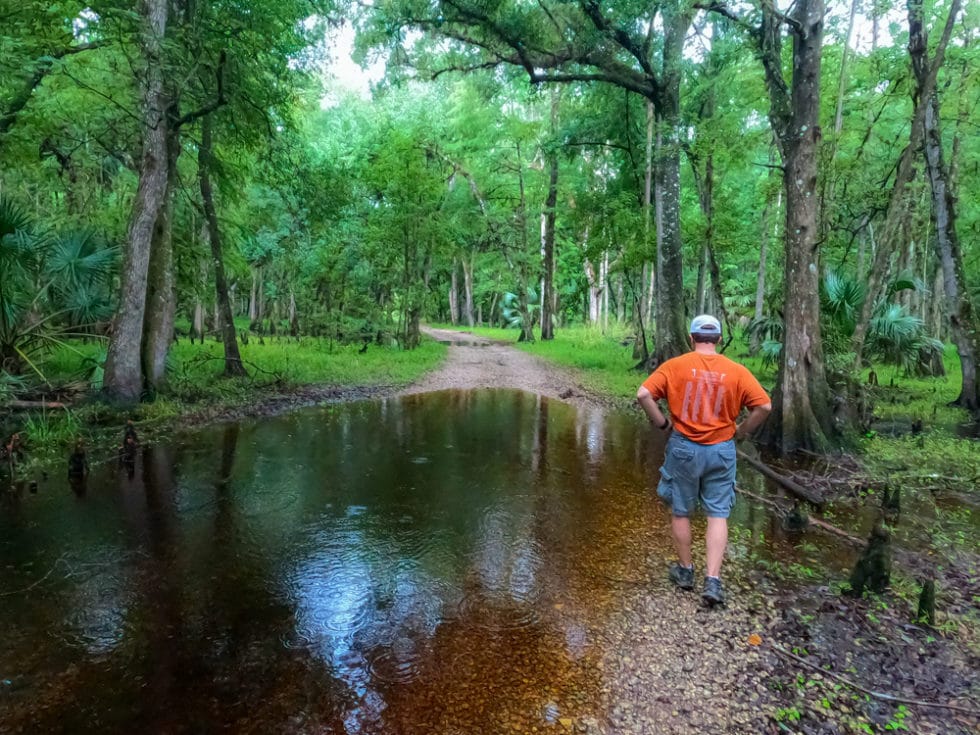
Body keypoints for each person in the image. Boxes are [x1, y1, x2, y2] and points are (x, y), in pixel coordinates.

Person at [636, 314, 771, 606]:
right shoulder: (736, 371)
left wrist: (662, 424)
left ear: (691, 337)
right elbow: (764, 405)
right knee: (717, 513)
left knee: (681, 510)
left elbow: (644, 394)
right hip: (722, 449)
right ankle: (713, 581)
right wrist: (741, 431)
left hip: (684, 448)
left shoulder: (675, 366)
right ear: (719, 340)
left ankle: (685, 572)